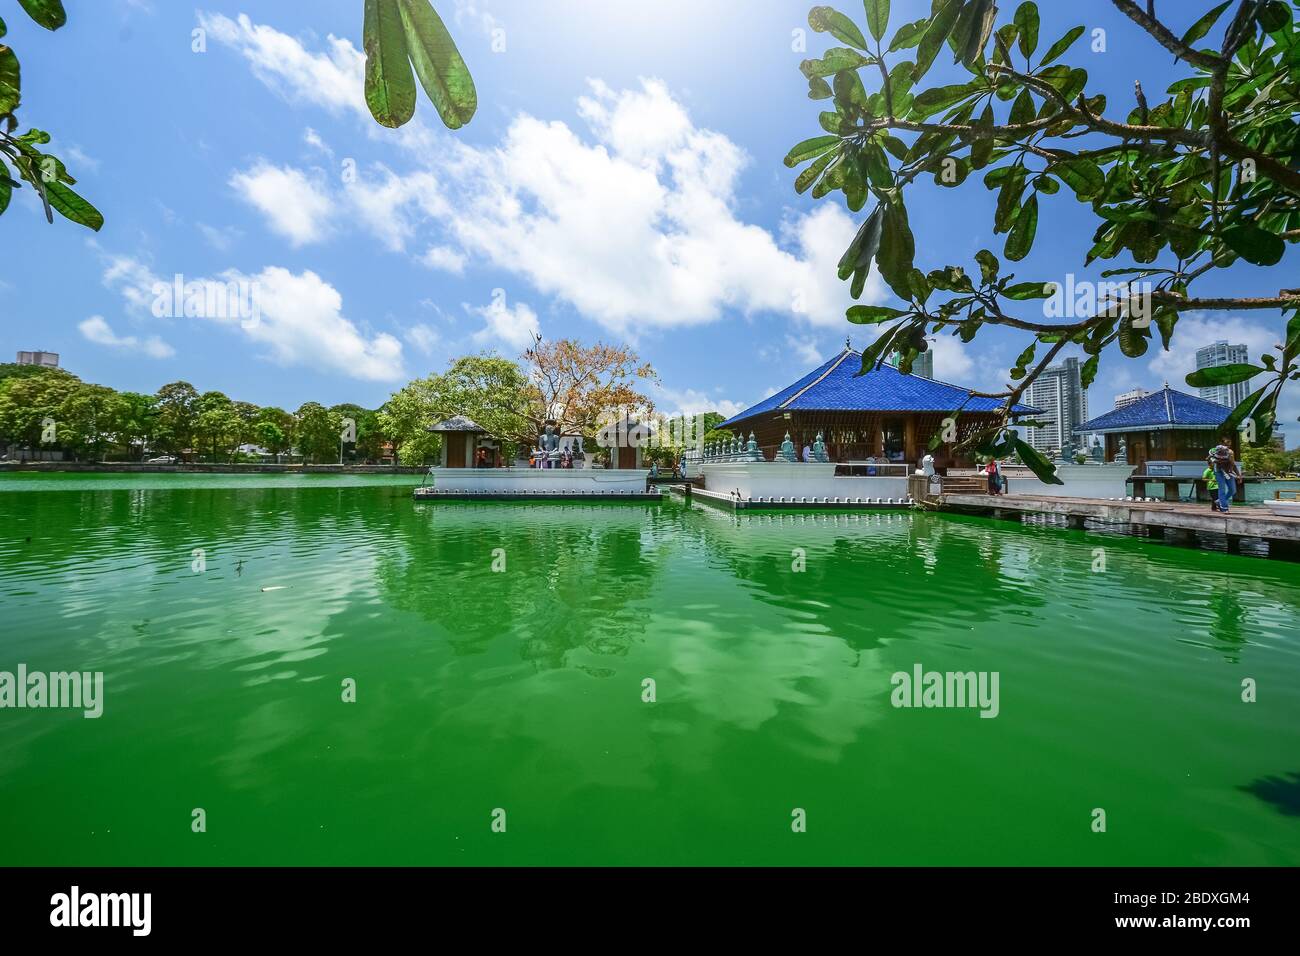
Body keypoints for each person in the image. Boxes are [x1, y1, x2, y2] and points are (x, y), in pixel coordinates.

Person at [1209, 436, 1242, 513]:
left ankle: (1218, 501)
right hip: (1219, 471)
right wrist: (1212, 462)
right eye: (1226, 445)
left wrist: (1239, 475)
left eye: (1229, 445)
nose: (1227, 447)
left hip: (1229, 471)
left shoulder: (1230, 452)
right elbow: (1209, 459)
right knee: (1222, 489)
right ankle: (1224, 508)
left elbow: (1233, 464)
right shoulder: (1215, 451)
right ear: (1221, 443)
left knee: (1232, 490)